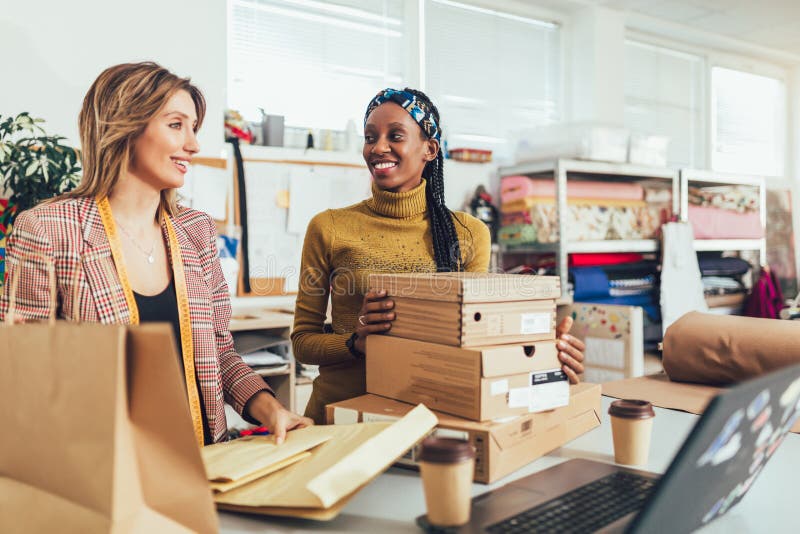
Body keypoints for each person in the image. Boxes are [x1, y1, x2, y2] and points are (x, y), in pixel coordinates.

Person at [0, 62, 311, 444]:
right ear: (127, 127)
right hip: (107, 467)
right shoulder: (48, 229)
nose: (193, 144)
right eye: (176, 124)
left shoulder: (195, 230)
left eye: (194, 128)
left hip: (204, 460)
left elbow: (217, 353)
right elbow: (22, 373)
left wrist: (271, 408)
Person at [292, 88, 586, 424]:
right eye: (370, 137)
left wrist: (544, 354)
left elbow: (476, 341)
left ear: (429, 149)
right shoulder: (329, 227)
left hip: (427, 419)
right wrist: (355, 343)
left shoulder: (468, 233)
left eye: (395, 136)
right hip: (340, 416)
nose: (378, 147)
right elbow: (302, 342)